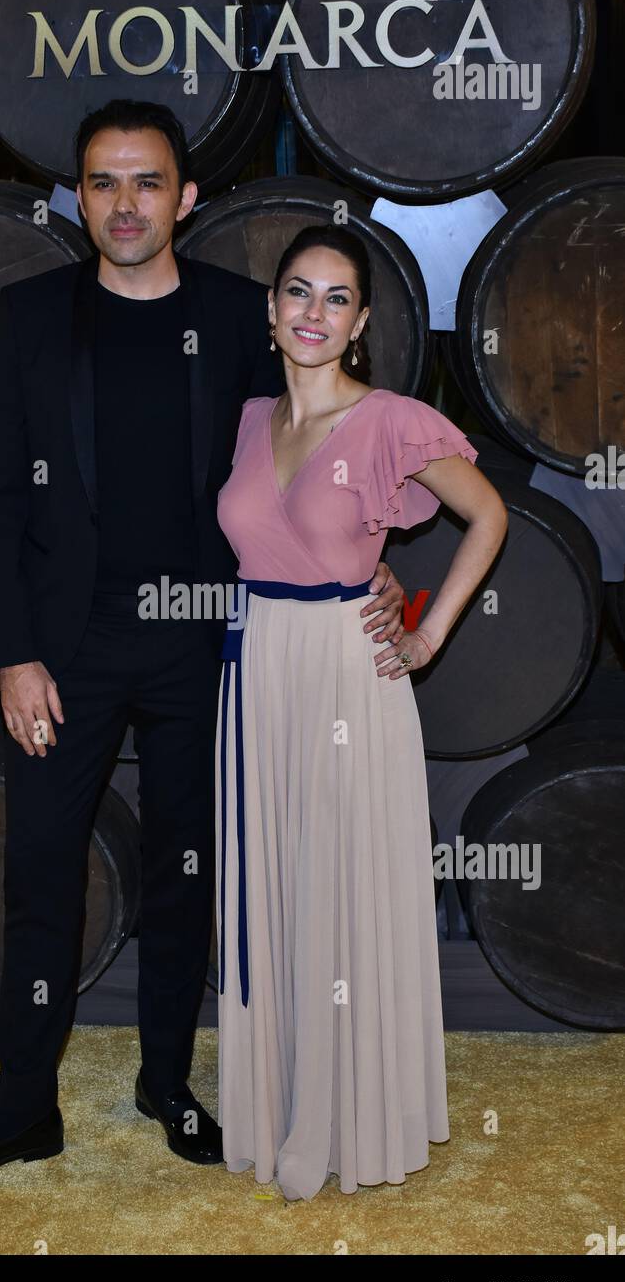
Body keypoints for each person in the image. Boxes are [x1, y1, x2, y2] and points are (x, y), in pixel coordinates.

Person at [0, 102, 406, 1192]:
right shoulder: (30, 313)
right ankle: (23, 1110)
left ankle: (166, 1083)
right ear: (76, 197)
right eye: (101, 182)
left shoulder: (239, 316)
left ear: (184, 198)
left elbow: (315, 449)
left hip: (205, 647)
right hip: (63, 651)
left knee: (188, 880)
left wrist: (370, 554)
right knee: (40, 877)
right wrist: (15, 655)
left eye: (145, 183)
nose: (123, 203)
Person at [215, 224, 509, 1199]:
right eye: (296, 292)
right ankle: (279, 1101)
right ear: (269, 310)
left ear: (361, 322)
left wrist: (425, 636)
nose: (312, 312)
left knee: (339, 885)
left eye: (335, 297)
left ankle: (351, 1117)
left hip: (346, 671)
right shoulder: (252, 417)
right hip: (255, 664)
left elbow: (487, 515)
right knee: (279, 881)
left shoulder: (388, 419)